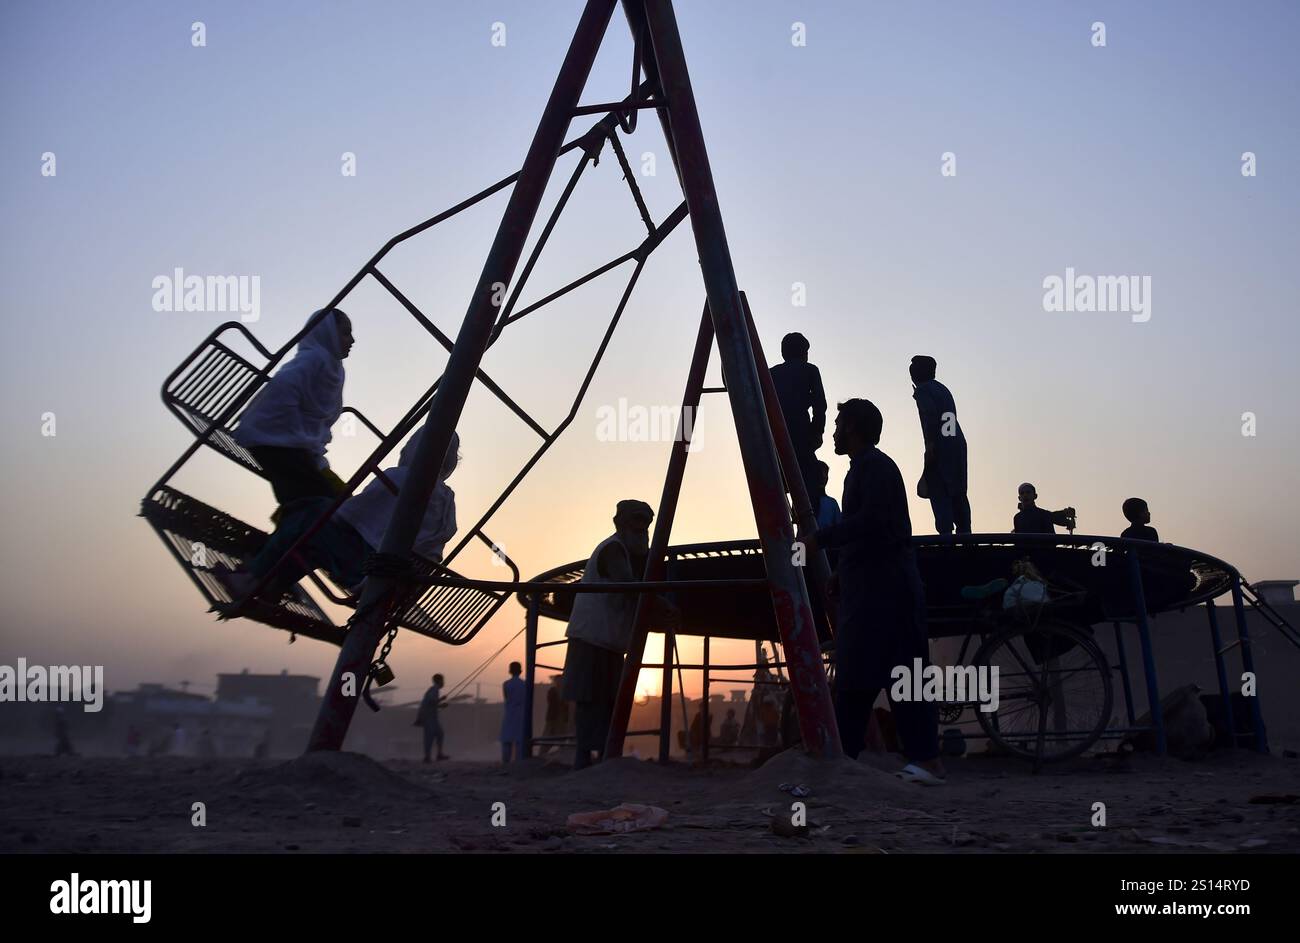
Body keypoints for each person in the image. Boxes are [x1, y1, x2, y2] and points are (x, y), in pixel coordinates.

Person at [809, 399, 945, 785]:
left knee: (896, 674)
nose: (833, 432)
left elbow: (871, 523)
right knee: (857, 676)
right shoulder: (861, 471)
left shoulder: (875, 468)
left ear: (851, 427)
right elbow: (864, 529)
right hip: (871, 589)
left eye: (838, 424)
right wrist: (841, 572)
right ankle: (841, 757)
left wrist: (820, 539)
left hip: (889, 591)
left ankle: (925, 760)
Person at [212, 426, 458, 604]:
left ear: (412, 450)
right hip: (398, 582)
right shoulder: (447, 500)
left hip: (368, 570)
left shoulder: (400, 479)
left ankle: (253, 578)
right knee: (316, 539)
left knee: (311, 514)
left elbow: (345, 516)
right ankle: (275, 584)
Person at [562, 500, 679, 770]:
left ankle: (602, 755)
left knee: (608, 699)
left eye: (646, 525)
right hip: (592, 636)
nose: (643, 531)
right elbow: (628, 587)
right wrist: (662, 604)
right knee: (589, 697)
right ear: (622, 524)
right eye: (637, 523)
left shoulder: (628, 553)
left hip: (610, 641)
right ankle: (584, 758)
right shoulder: (613, 550)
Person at [234, 308, 354, 508]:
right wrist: (296, 436)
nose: (352, 340)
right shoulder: (313, 359)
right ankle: (290, 535)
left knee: (336, 500)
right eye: (345, 332)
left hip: (299, 445)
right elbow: (283, 388)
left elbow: (320, 419)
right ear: (328, 333)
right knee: (317, 503)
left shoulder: (334, 369)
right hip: (273, 440)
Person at [910, 355, 970, 534]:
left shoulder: (923, 391)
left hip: (941, 446)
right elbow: (949, 421)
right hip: (955, 443)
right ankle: (965, 535)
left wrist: (931, 445)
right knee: (958, 493)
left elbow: (930, 417)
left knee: (939, 491)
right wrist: (948, 442)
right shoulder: (943, 389)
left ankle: (946, 539)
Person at [769, 332, 828, 496]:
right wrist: (818, 430)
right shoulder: (810, 370)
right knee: (808, 480)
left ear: (783, 353)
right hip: (802, 431)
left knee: (779, 478)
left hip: (776, 432)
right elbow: (820, 404)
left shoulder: (771, 373)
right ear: (804, 353)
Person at [416, 674, 449, 762]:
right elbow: (431, 701)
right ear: (439, 681)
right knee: (429, 737)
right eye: (442, 680)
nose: (443, 683)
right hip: (428, 717)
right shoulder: (434, 690)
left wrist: (441, 705)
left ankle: (439, 754)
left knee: (440, 734)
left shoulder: (434, 690)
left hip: (431, 717)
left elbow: (431, 704)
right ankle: (427, 757)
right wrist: (441, 700)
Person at [500, 662, 527, 763]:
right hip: (521, 713)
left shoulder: (506, 684)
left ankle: (506, 761)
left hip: (510, 712)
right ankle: (519, 761)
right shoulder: (524, 684)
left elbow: (506, 698)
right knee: (519, 740)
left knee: (507, 739)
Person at [539, 674, 569, 755]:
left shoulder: (564, 691)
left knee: (560, 742)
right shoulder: (553, 691)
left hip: (560, 721)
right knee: (547, 742)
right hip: (554, 721)